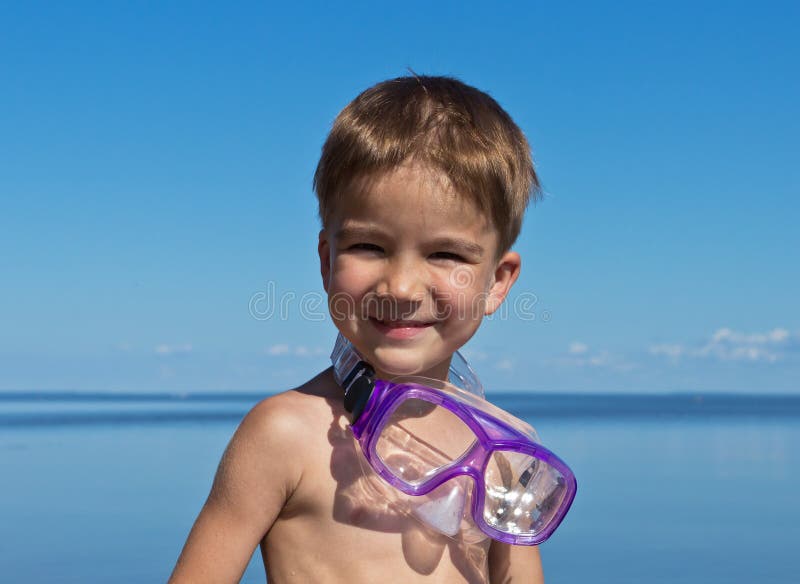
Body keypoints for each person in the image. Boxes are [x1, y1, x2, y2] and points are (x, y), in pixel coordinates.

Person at [169, 74, 545, 583]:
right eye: (369, 247)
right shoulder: (285, 435)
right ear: (326, 261)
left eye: (446, 254)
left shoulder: (502, 457)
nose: (403, 288)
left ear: (497, 282)